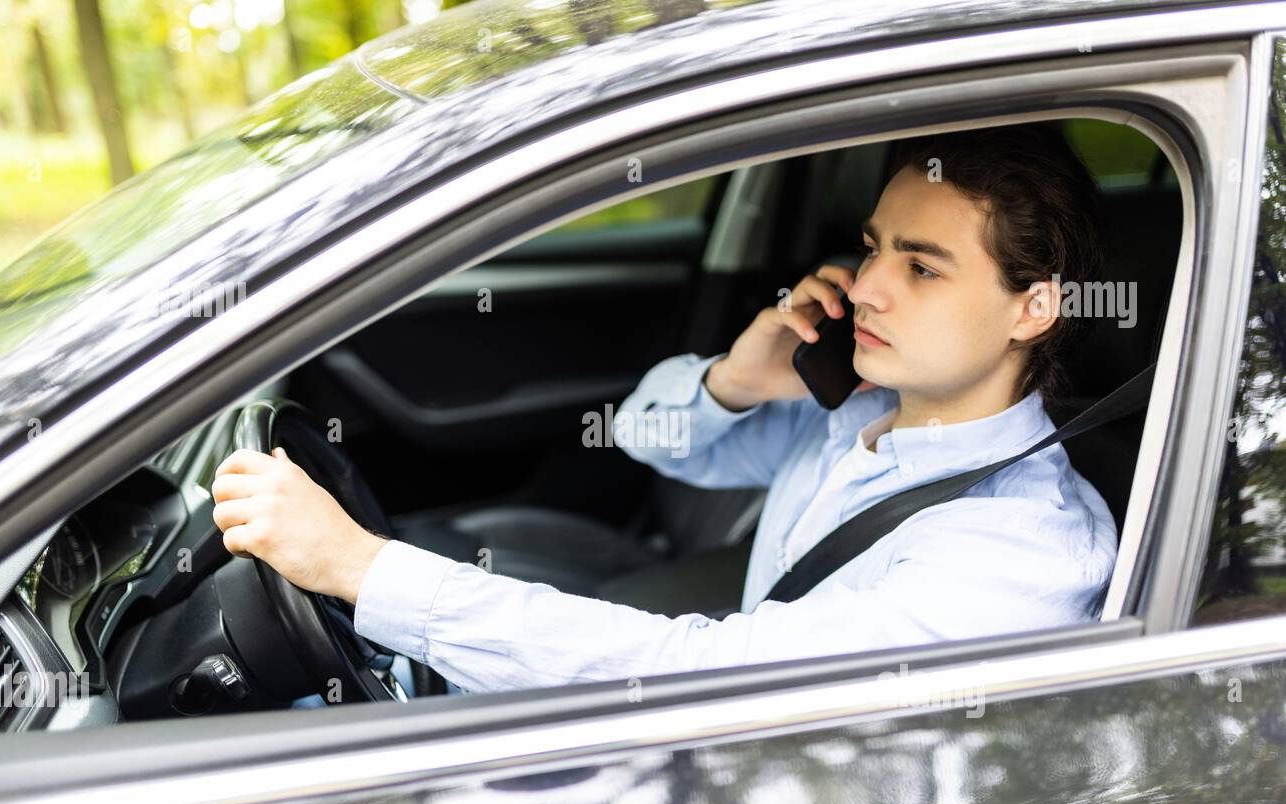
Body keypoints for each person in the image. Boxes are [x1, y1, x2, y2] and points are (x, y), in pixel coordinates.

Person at [210, 124, 1118, 695]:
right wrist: (741, 378)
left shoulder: (1015, 549)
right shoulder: (863, 406)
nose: (870, 284)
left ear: (1034, 306)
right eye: (873, 246)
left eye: (921, 267)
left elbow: (706, 679)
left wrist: (363, 567)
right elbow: (652, 437)